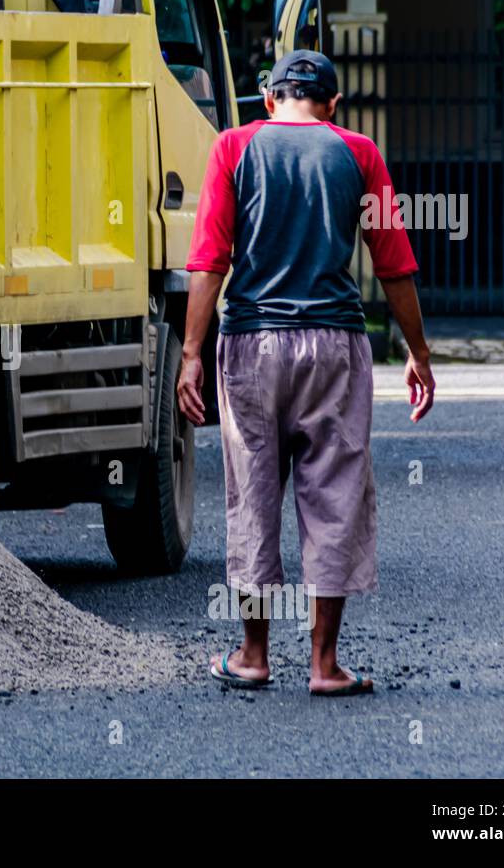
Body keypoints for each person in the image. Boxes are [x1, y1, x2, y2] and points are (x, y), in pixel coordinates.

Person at [176, 49, 436, 696]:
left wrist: (189, 355)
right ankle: (325, 664)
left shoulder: (234, 147)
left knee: (253, 492)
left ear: (269, 99)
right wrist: (419, 353)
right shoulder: (359, 152)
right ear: (333, 105)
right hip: (334, 346)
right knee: (335, 492)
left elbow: (209, 259)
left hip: (252, 344)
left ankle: (253, 655)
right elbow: (395, 261)